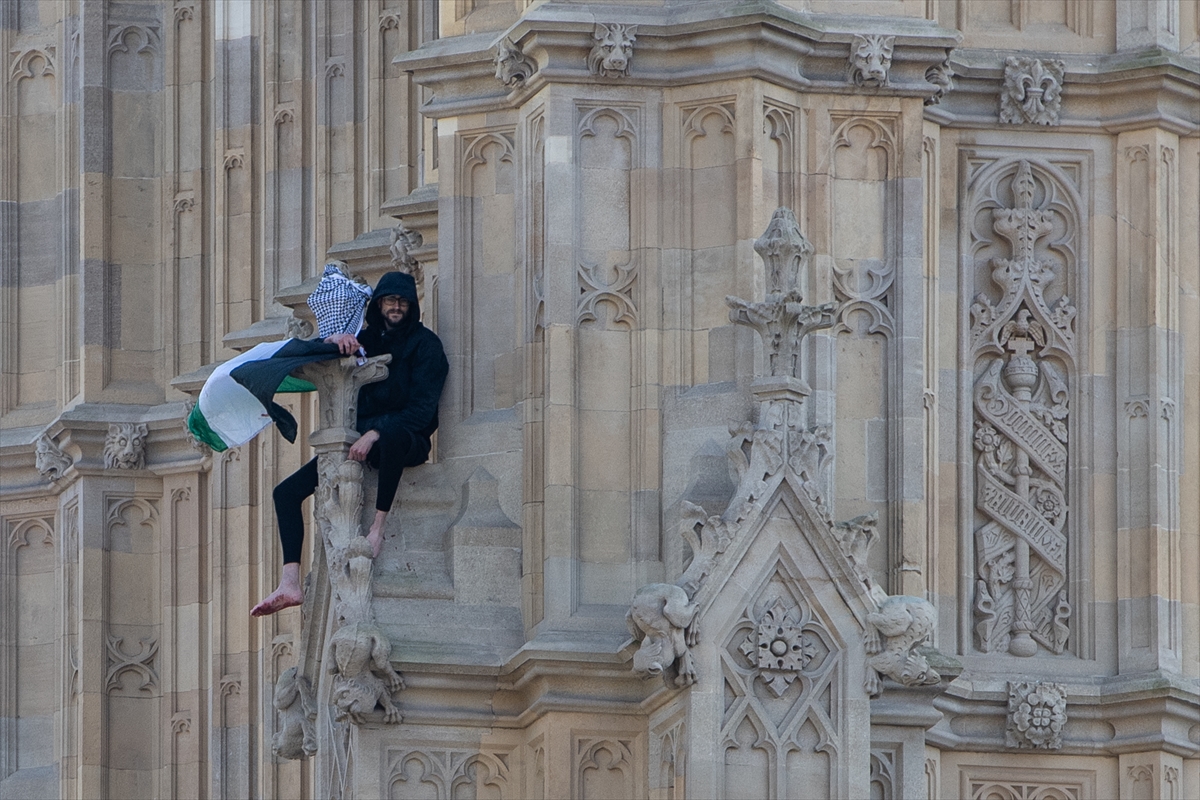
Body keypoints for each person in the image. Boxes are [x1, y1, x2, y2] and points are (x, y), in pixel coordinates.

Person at [251, 271, 448, 617]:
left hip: (406, 437)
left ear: (412, 306)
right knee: (285, 492)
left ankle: (377, 528)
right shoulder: (366, 339)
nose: (396, 307)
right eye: (390, 301)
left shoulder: (427, 346)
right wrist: (336, 341)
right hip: (360, 439)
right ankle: (290, 581)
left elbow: (423, 410)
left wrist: (379, 432)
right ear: (380, 305)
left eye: (402, 301)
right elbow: (314, 355)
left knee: (393, 442)